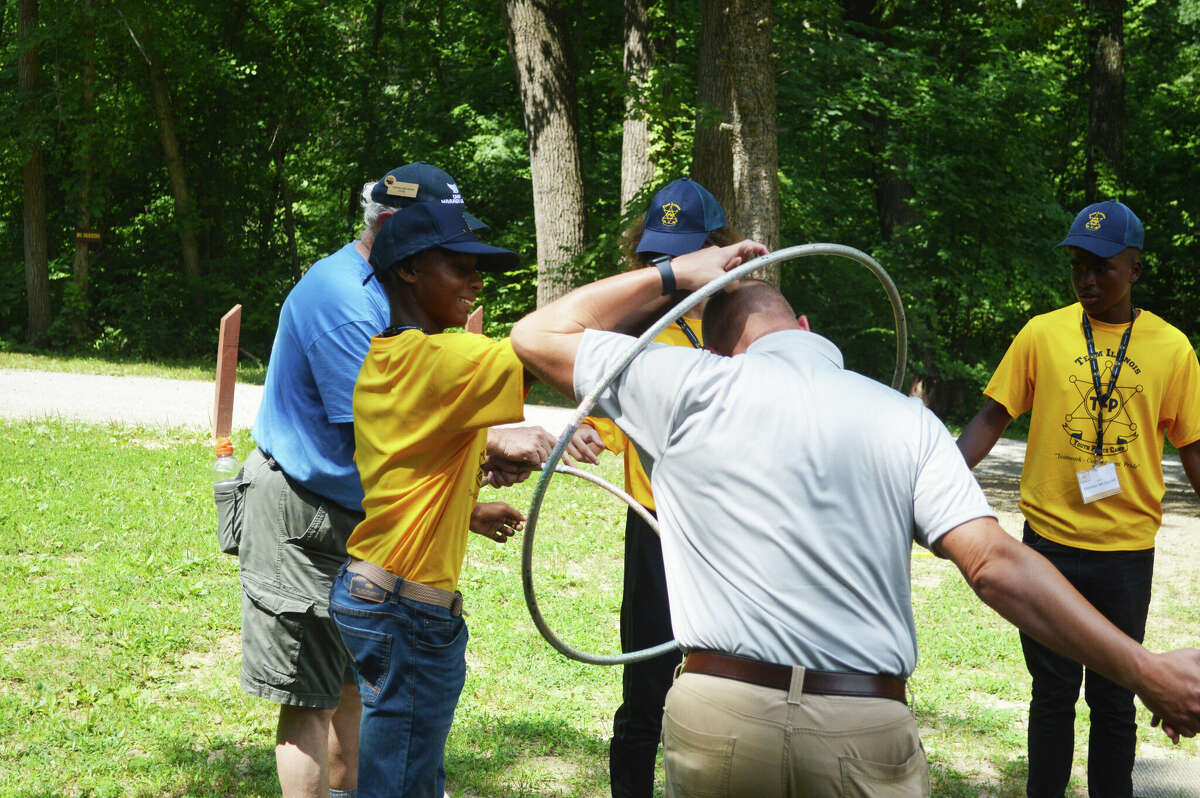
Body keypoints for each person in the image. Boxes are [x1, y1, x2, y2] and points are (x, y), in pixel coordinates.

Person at [508, 243, 1200, 797]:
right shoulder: (904, 418)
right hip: (860, 724)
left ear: (717, 350)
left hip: (720, 720)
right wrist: (1145, 671)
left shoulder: (687, 385)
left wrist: (676, 273)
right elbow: (993, 565)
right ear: (807, 329)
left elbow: (535, 334)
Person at [240, 162, 556, 798]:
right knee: (311, 695)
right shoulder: (344, 297)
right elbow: (381, 425)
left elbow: (406, 446)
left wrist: (466, 499)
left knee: (361, 685)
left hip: (365, 518)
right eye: (449, 250)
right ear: (395, 235)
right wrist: (495, 437)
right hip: (304, 510)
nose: (468, 273)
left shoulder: (396, 294)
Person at [956, 200, 1200, 798]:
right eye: (1077, 268)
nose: (1087, 280)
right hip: (1046, 549)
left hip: (1124, 553)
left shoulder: (1172, 349)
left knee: (1116, 697)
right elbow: (993, 416)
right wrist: (935, 476)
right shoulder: (1043, 334)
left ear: (1135, 269)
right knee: (1052, 693)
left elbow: (1193, 446)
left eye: (1102, 267)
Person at [327, 202, 539, 798]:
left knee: (407, 772)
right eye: (459, 265)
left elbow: (413, 471)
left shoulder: (392, 356)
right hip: (407, 608)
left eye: (478, 268)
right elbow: (543, 346)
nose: (475, 280)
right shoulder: (434, 359)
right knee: (401, 785)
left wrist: (474, 491)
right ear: (411, 270)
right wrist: (671, 280)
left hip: (373, 589)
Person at [572, 177, 741, 798]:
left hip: (733, 536)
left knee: (729, 694)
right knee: (645, 694)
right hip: (656, 534)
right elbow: (599, 419)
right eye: (655, 258)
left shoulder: (743, 325)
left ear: (718, 248)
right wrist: (588, 434)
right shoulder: (634, 338)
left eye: (684, 253)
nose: (670, 268)